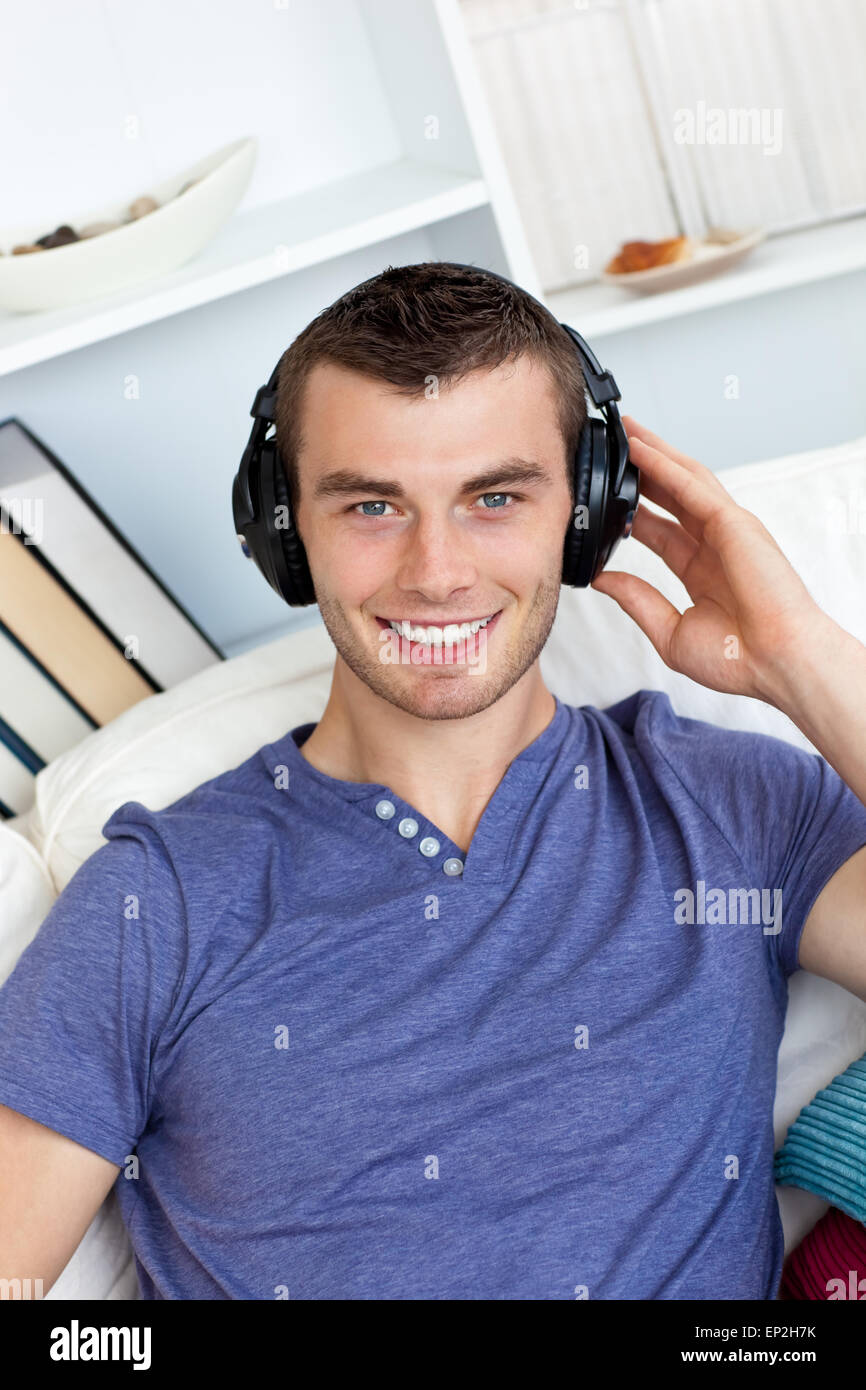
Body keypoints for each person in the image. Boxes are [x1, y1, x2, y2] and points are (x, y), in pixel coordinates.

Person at [1, 261, 866, 1301]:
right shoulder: (160, 902)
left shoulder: (725, 808)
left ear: (585, 511)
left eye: (493, 496)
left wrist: (799, 655)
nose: (437, 570)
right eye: (371, 505)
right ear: (285, 534)